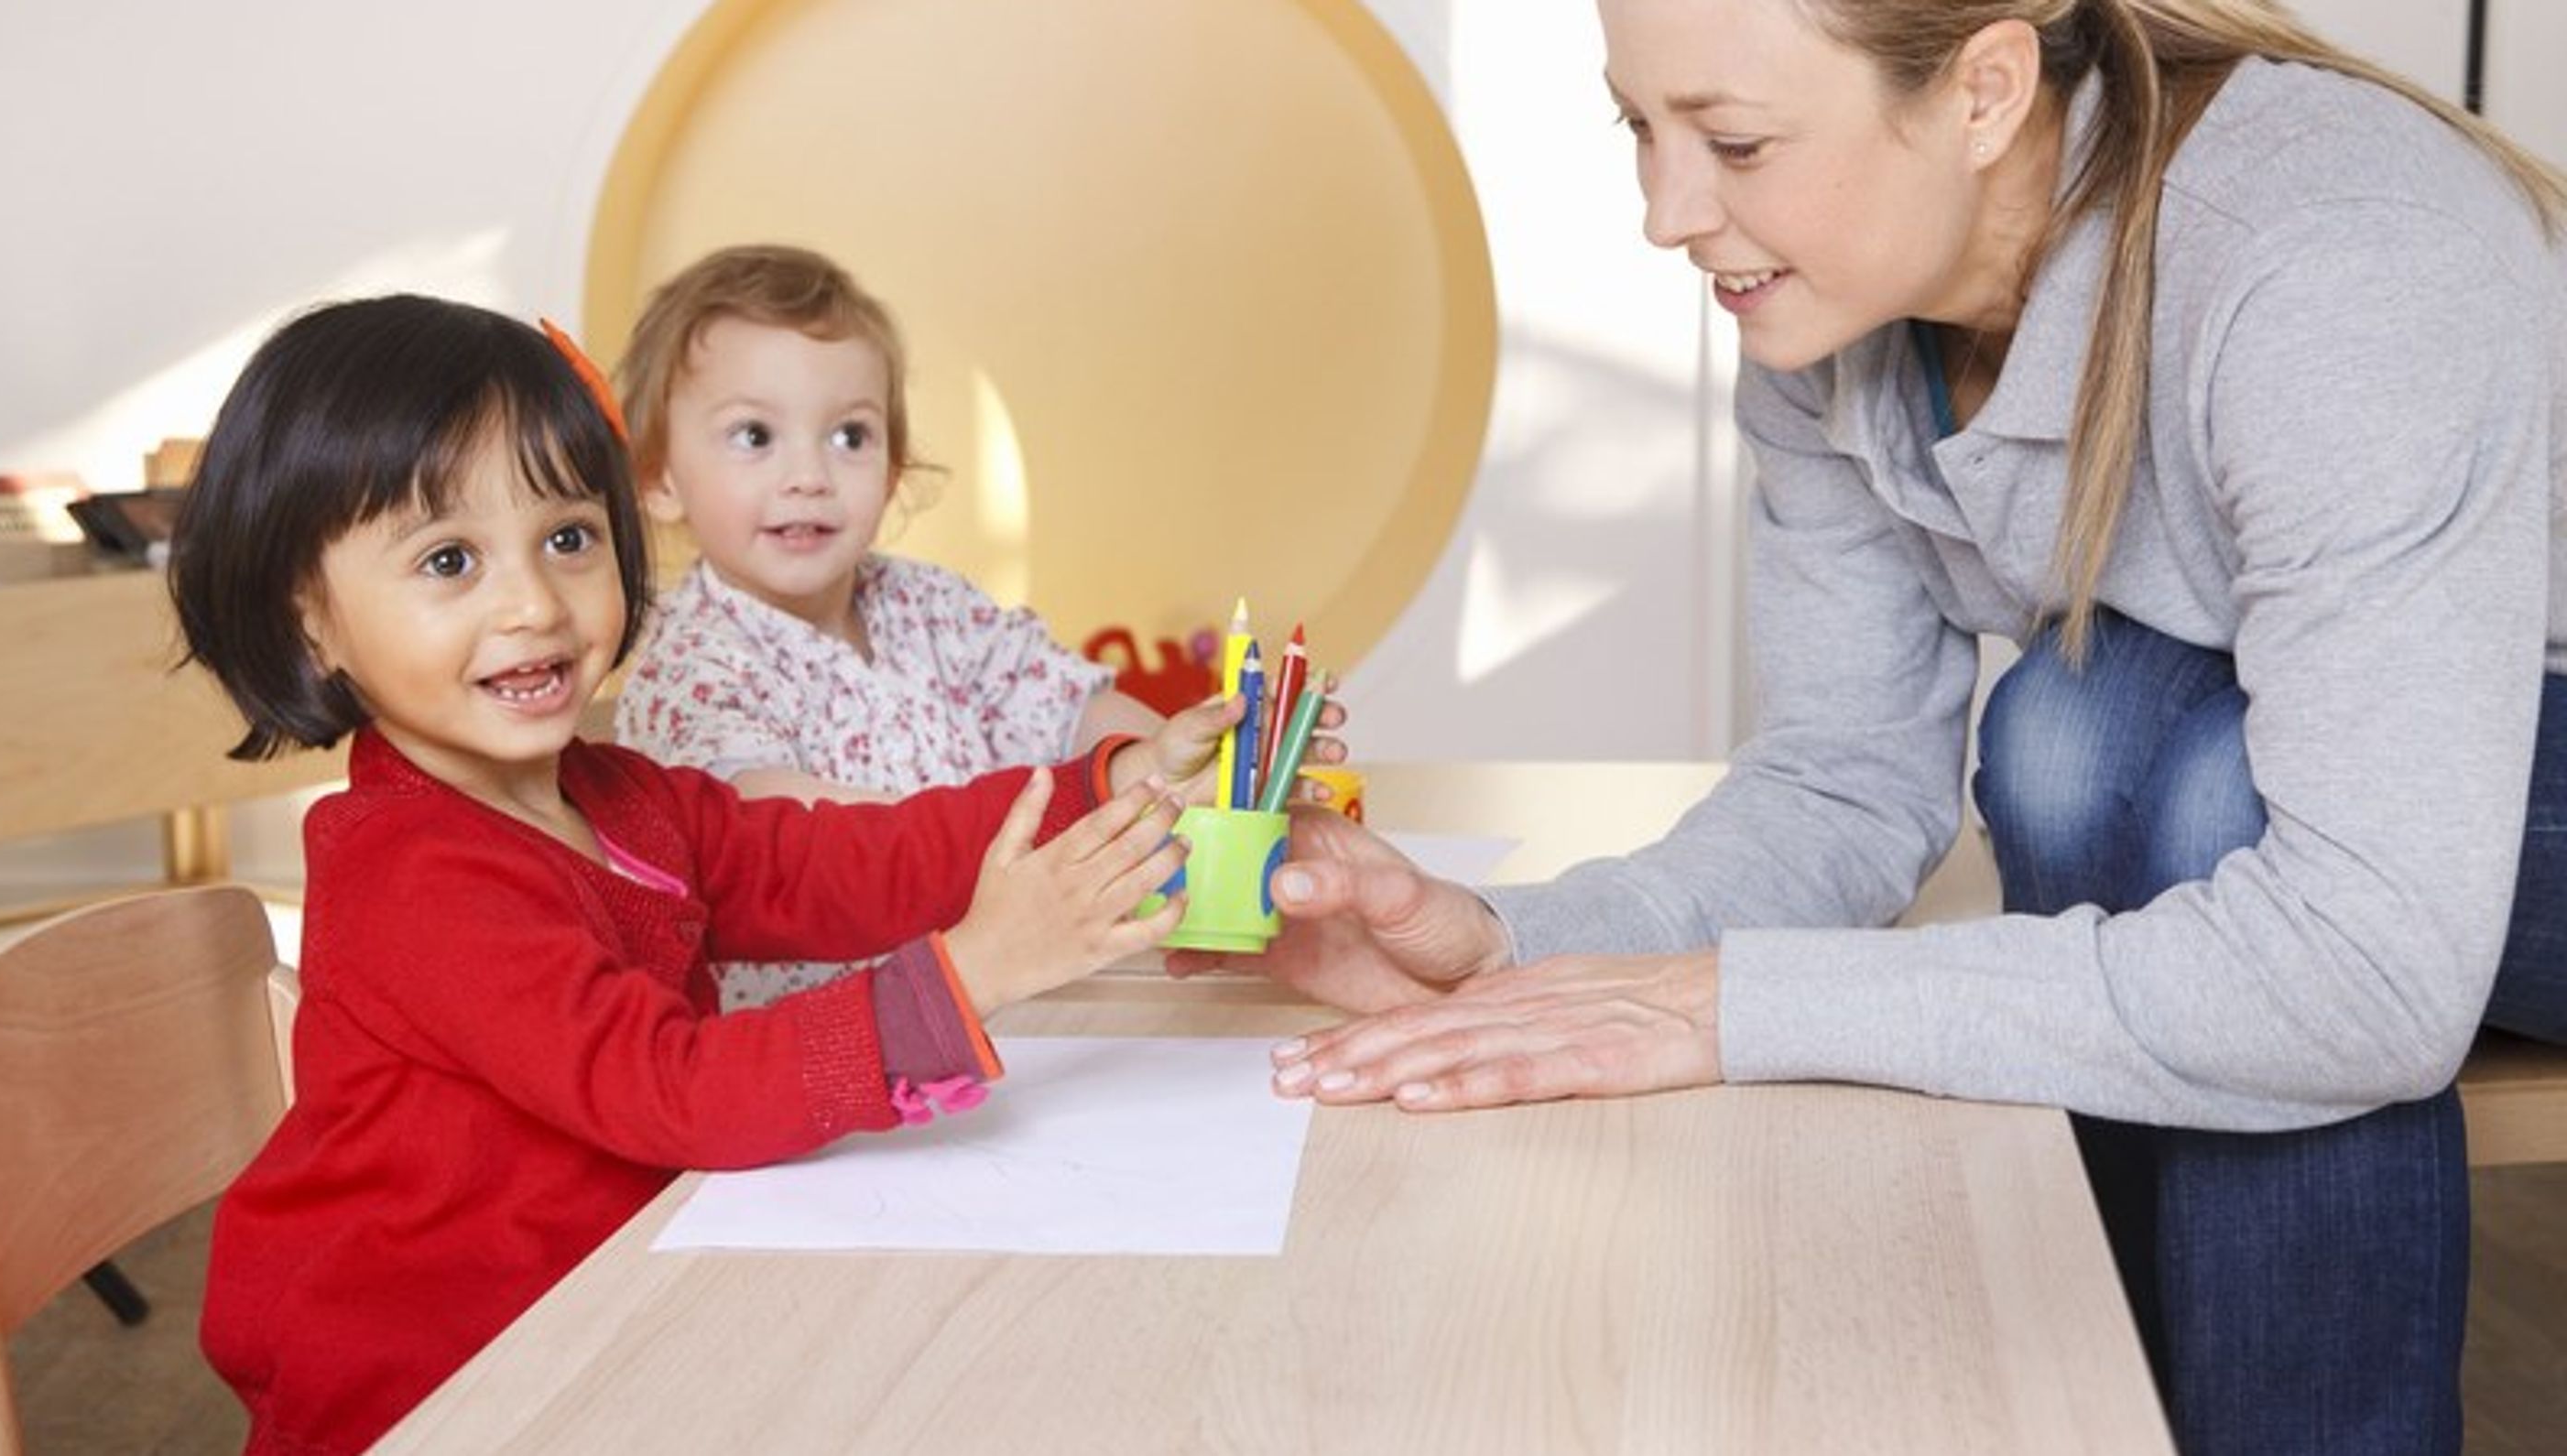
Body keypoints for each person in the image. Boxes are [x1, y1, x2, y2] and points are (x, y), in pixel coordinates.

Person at [1181, 3, 2567, 1452]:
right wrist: (1519, 940)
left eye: (1733, 142)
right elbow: (1844, 778)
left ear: (1983, 93)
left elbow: (2365, 974)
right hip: (2338, 803)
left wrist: (1732, 1006)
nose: (1669, 212)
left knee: (2184, 783)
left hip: (2481, 808)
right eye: (1636, 129)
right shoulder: (1826, 310)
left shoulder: (2333, 260)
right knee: (2069, 735)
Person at [170, 295, 1208, 1454]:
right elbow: (673, 1090)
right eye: (450, 560)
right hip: (446, 1393)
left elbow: (839, 863)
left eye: (567, 537)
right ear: (310, 620)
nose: (534, 604)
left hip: (626, 1305)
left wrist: (1100, 785)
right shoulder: (414, 875)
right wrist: (976, 969)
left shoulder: (621, 795)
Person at [610, 243, 1342, 1006]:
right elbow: (797, 844)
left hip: (1007, 997)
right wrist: (1060, 827)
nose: (809, 476)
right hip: (833, 1041)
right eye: (755, 436)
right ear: (660, 478)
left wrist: (1184, 772)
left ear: (893, 470)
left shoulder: (930, 606)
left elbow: (1073, 710)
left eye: (850, 436)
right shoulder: (691, 666)